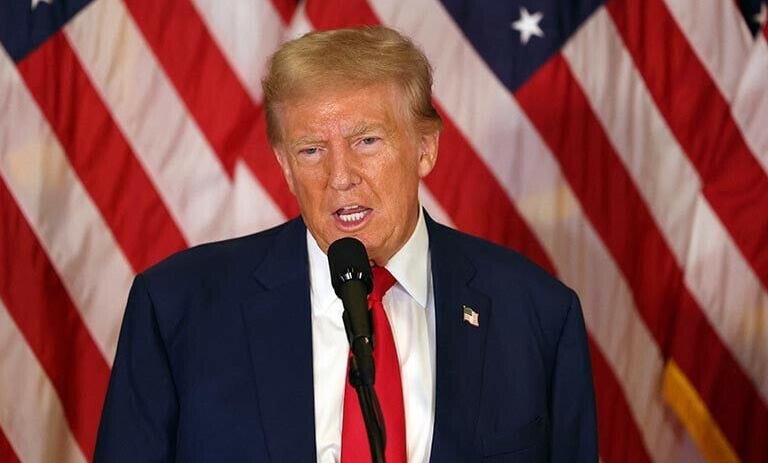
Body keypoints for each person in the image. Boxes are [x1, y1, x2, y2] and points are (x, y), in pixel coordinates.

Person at [94, 26, 597, 462]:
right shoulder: (178, 310)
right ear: (287, 167)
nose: (340, 177)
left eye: (366, 142)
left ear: (426, 147)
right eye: (311, 150)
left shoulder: (535, 314)